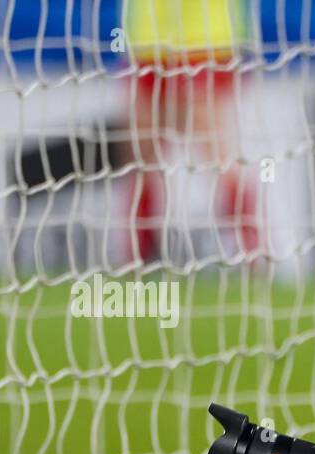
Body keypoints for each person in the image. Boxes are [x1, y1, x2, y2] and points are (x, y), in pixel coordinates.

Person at [124, 0, 258, 263]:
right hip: (148, 42)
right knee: (142, 159)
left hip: (204, 41)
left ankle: (253, 253)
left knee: (219, 155)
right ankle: (137, 260)